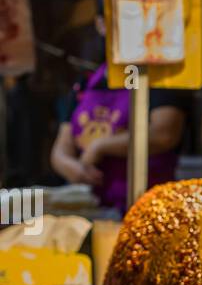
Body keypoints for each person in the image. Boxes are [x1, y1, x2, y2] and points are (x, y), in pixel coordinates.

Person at [50, 60, 191, 215]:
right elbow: (62, 145)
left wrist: (101, 146)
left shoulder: (159, 78)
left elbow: (165, 135)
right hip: (90, 206)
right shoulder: (86, 82)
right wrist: (70, 166)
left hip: (148, 206)